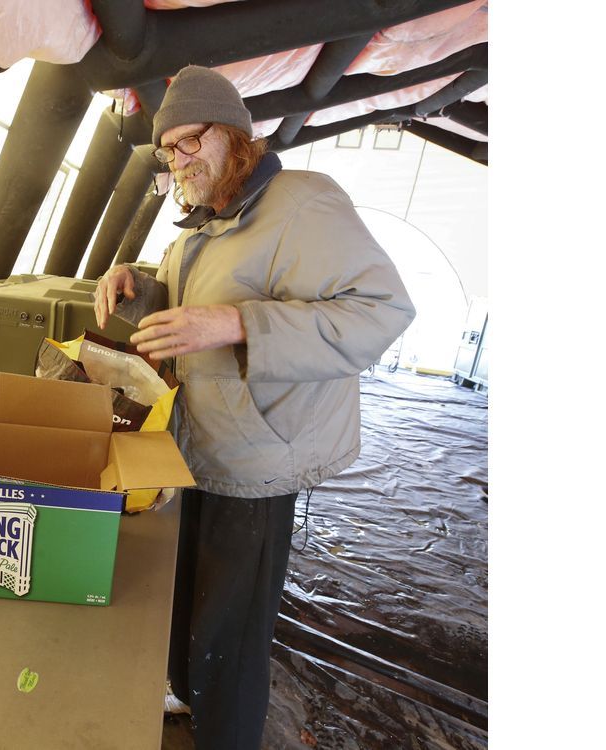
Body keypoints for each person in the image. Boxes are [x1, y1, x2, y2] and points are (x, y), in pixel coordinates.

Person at [94, 65, 416, 750]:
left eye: (191, 141)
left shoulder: (302, 203)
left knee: (231, 634)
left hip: (259, 456)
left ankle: (227, 735)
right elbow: (196, 308)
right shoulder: (203, 224)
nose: (179, 160)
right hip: (198, 446)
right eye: (168, 149)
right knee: (189, 609)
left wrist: (240, 326)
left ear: (235, 135)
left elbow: (380, 312)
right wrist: (140, 287)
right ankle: (195, 705)